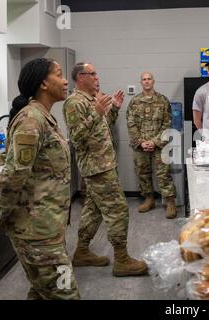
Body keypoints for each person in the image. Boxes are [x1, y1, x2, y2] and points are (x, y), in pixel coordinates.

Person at [0, 58, 80, 299]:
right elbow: (12, 176)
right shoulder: (31, 119)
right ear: (43, 83)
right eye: (59, 74)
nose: (64, 81)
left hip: (48, 227)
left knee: (42, 292)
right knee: (65, 292)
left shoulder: (43, 117)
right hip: (36, 230)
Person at [63, 62, 147, 276]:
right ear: (80, 77)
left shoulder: (91, 100)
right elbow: (76, 138)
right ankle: (122, 260)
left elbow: (102, 126)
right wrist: (96, 113)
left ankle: (81, 251)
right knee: (118, 210)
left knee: (94, 210)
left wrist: (114, 109)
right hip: (96, 167)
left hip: (104, 164)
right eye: (93, 74)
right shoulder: (74, 102)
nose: (97, 77)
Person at [126, 72, 177, 219]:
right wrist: (141, 142)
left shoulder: (163, 101)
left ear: (153, 81)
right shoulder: (134, 101)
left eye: (149, 79)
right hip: (139, 145)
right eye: (144, 79)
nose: (147, 81)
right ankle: (149, 199)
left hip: (159, 144)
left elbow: (166, 124)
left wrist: (154, 142)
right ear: (141, 82)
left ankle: (170, 202)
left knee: (164, 174)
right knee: (142, 173)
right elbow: (131, 124)